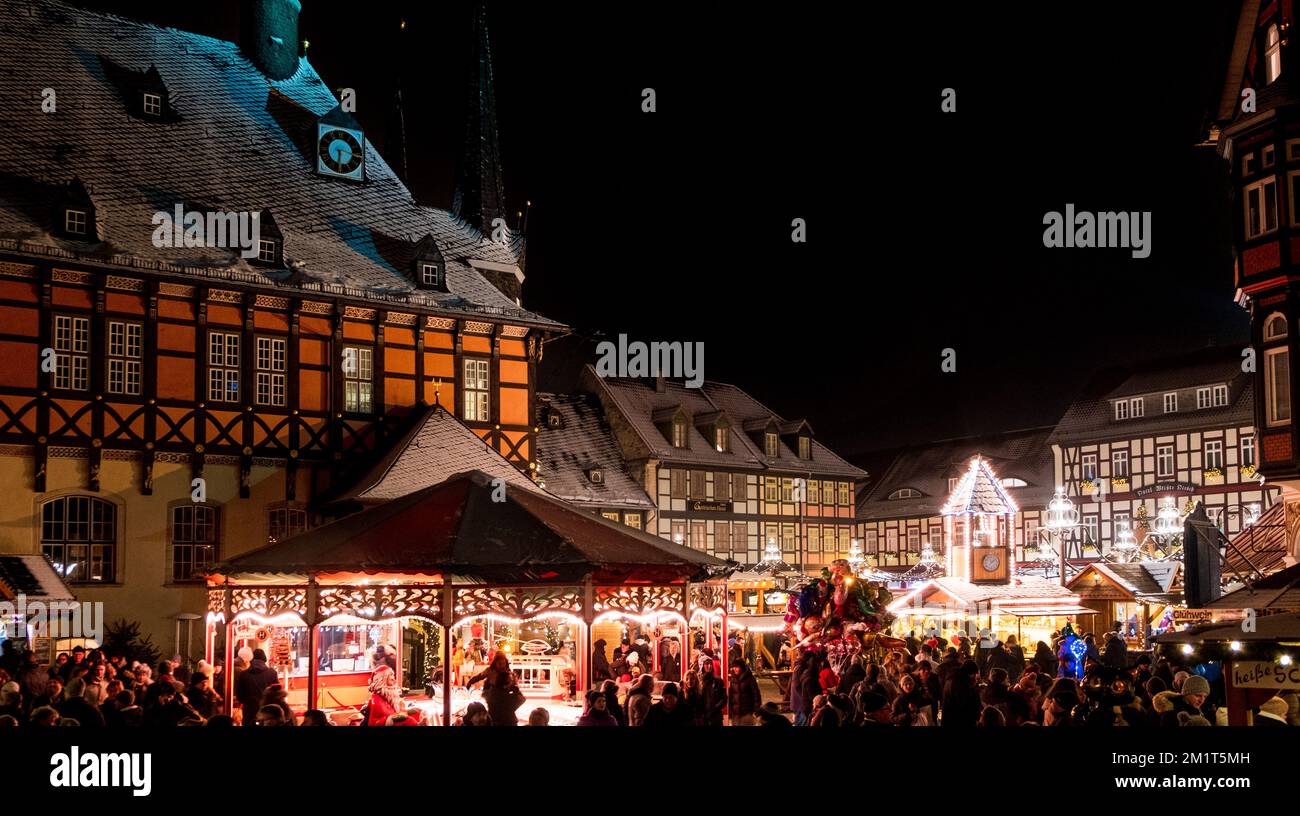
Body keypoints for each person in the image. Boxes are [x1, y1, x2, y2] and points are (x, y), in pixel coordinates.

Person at [467, 650, 523, 726]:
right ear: (495, 663)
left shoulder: (509, 675)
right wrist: (471, 681)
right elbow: (480, 676)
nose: (502, 666)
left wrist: (513, 690)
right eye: (499, 663)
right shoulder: (490, 672)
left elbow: (516, 690)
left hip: (504, 703)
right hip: (493, 701)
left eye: (503, 663)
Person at [234, 648, 278, 727]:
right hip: (267, 713)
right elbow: (276, 694)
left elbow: (240, 696)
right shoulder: (272, 673)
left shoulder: (244, 674)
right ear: (264, 659)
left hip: (249, 713)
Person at [727, 658, 762, 725]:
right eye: (733, 667)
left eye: (737, 667)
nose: (734, 669)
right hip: (735, 714)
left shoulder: (749, 678)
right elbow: (731, 695)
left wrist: (756, 709)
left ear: (742, 667)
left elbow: (756, 694)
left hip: (747, 713)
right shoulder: (733, 678)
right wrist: (730, 710)